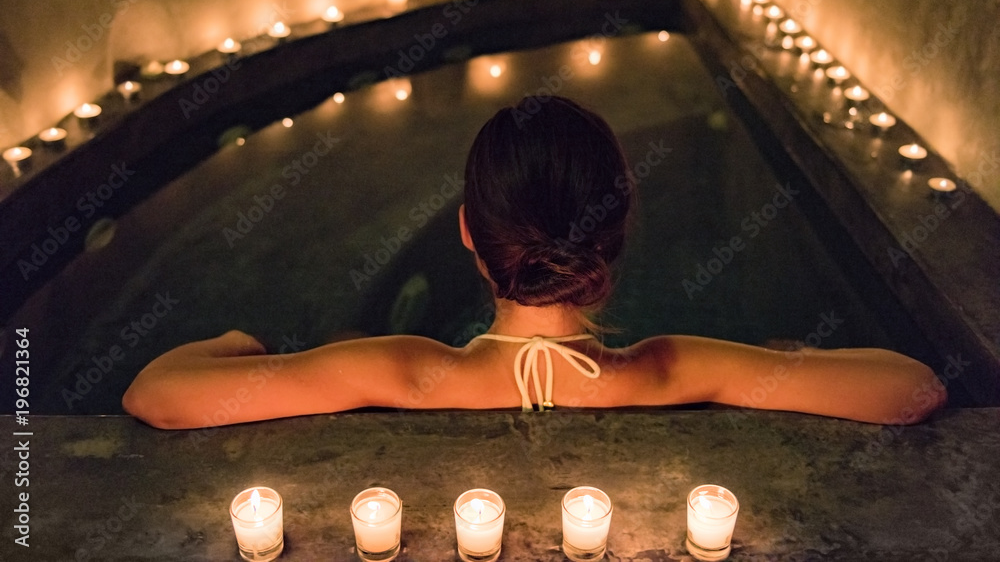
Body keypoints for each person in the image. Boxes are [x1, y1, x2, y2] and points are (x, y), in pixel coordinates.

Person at [123, 96, 947, 429]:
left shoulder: (405, 371)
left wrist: (239, 341)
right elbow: (913, 386)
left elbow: (154, 394)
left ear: (467, 235)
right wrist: (789, 359)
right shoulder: (667, 370)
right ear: (616, 233)